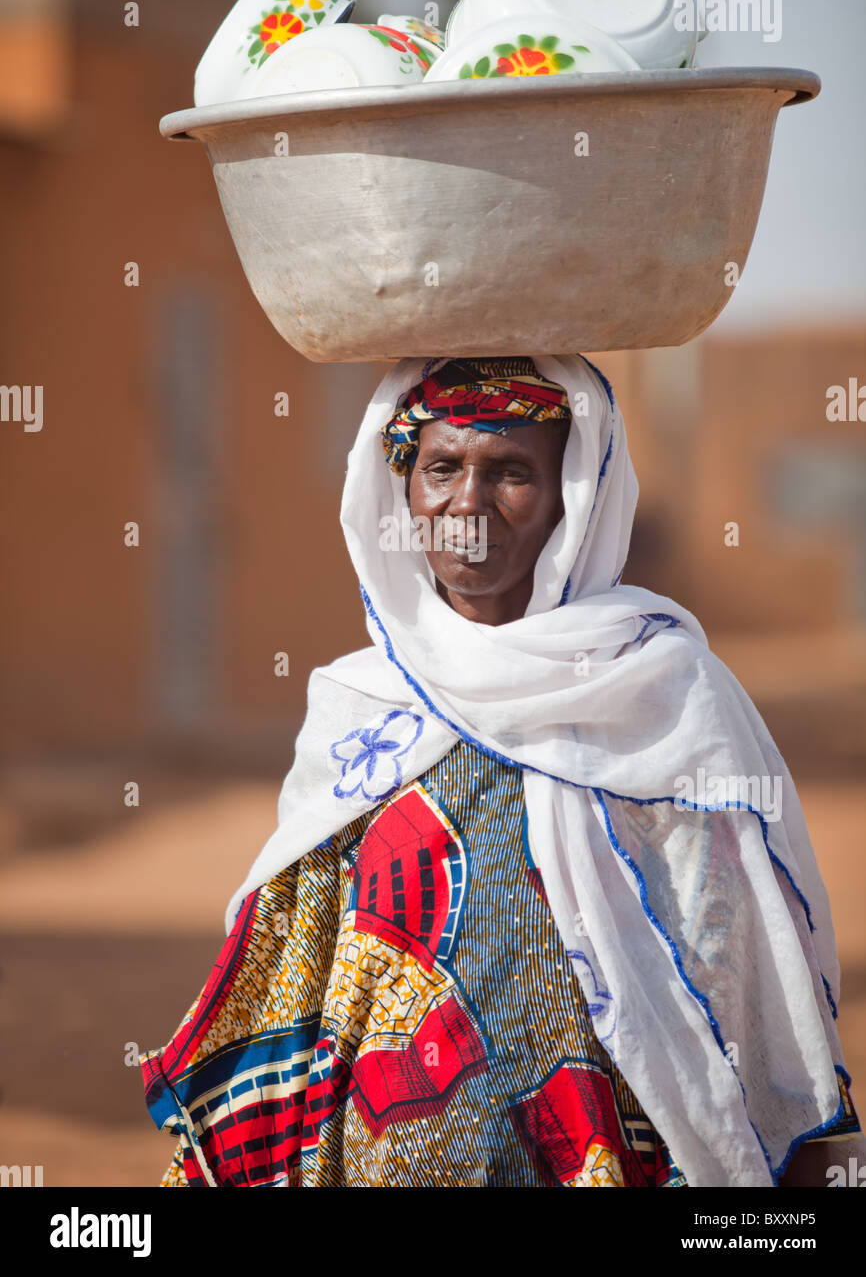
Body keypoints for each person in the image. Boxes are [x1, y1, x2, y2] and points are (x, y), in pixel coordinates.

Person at [141, 354, 863, 1187]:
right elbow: (295, 972)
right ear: (403, 489)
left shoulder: (664, 693)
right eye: (441, 466)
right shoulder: (363, 705)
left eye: (513, 471)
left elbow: (735, 971)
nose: (468, 503)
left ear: (574, 498)